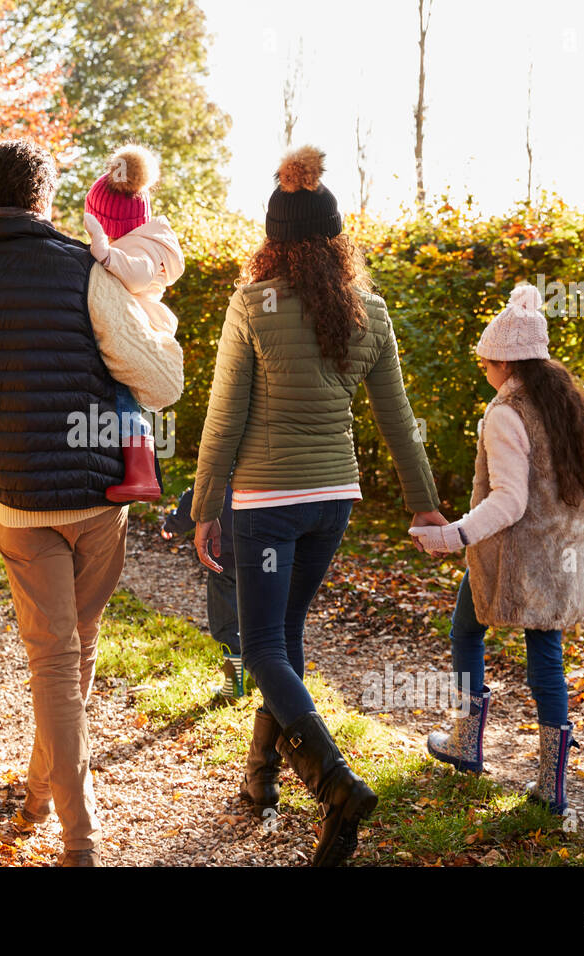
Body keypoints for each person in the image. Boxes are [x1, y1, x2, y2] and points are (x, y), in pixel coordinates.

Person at [190, 145, 446, 866]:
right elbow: (397, 419)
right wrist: (423, 503)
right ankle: (260, 782)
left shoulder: (252, 304)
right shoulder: (370, 311)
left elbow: (223, 416)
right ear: (338, 242)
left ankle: (333, 783)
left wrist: (207, 505)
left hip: (267, 501)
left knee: (262, 643)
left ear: (271, 241)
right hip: (334, 499)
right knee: (284, 641)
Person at [0, 140, 183, 866]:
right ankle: (82, 839)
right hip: (98, 493)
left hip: (13, 493)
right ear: (44, 200)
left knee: (54, 659)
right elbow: (161, 383)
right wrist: (153, 319)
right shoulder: (83, 266)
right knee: (73, 654)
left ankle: (43, 796)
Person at [410, 283, 584, 816]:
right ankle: (551, 785)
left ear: (504, 361)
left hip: (512, 556)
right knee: (547, 656)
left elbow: (509, 501)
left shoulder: (505, 413)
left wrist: (452, 536)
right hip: (561, 555)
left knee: (465, 631)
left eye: (486, 363)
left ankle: (468, 743)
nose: (484, 372)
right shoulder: (564, 405)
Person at [82, 144, 185, 503]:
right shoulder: (144, 239)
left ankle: (141, 475)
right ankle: (138, 470)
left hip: (138, 328)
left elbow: (138, 277)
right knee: (122, 400)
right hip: (134, 325)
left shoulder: (141, 249)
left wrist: (105, 251)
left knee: (124, 400)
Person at [160, 482, 244, 700]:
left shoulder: (218, 467)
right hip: (262, 554)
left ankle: (234, 685)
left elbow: (194, 500)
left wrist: (172, 524)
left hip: (224, 557)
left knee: (227, 621)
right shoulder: (261, 465)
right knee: (261, 618)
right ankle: (261, 675)